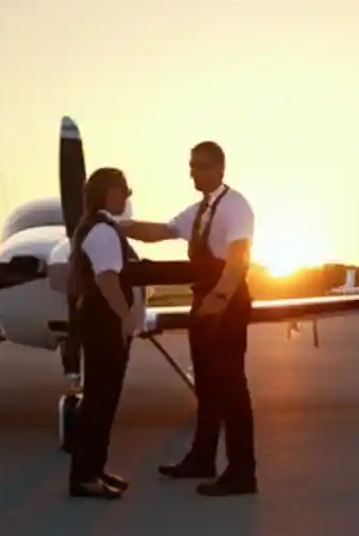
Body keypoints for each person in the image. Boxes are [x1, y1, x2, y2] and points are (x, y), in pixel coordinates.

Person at [119, 140, 257, 497]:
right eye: (192, 165)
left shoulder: (235, 207)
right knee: (208, 387)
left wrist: (219, 300)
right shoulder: (198, 211)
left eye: (201, 165)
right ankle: (202, 458)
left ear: (220, 169)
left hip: (225, 305)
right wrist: (117, 225)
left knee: (232, 389)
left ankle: (242, 473)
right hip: (204, 302)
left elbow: (238, 260)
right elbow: (161, 231)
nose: (193, 171)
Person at [65, 167, 142, 499]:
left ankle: (95, 469)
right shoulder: (103, 232)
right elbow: (107, 279)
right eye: (124, 189)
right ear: (110, 193)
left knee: (102, 400)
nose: (128, 195)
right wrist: (126, 317)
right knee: (100, 400)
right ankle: (85, 477)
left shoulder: (96, 228)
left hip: (95, 320)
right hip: (104, 322)